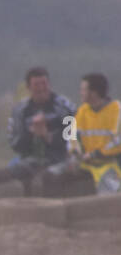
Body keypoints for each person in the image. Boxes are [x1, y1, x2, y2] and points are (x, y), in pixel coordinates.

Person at [7, 66, 76, 195]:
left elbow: (73, 140)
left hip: (59, 159)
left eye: (44, 83)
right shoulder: (20, 111)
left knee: (49, 177)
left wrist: (47, 136)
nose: (41, 88)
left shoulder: (65, 107)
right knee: (11, 173)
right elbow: (15, 144)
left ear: (49, 84)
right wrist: (31, 133)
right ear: (28, 88)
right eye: (36, 85)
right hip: (29, 159)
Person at [70, 72, 121, 193]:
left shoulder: (116, 110)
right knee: (54, 175)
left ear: (94, 92)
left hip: (110, 164)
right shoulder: (83, 110)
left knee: (107, 190)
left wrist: (94, 154)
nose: (81, 92)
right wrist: (75, 152)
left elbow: (117, 142)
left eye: (83, 89)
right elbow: (73, 136)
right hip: (86, 164)